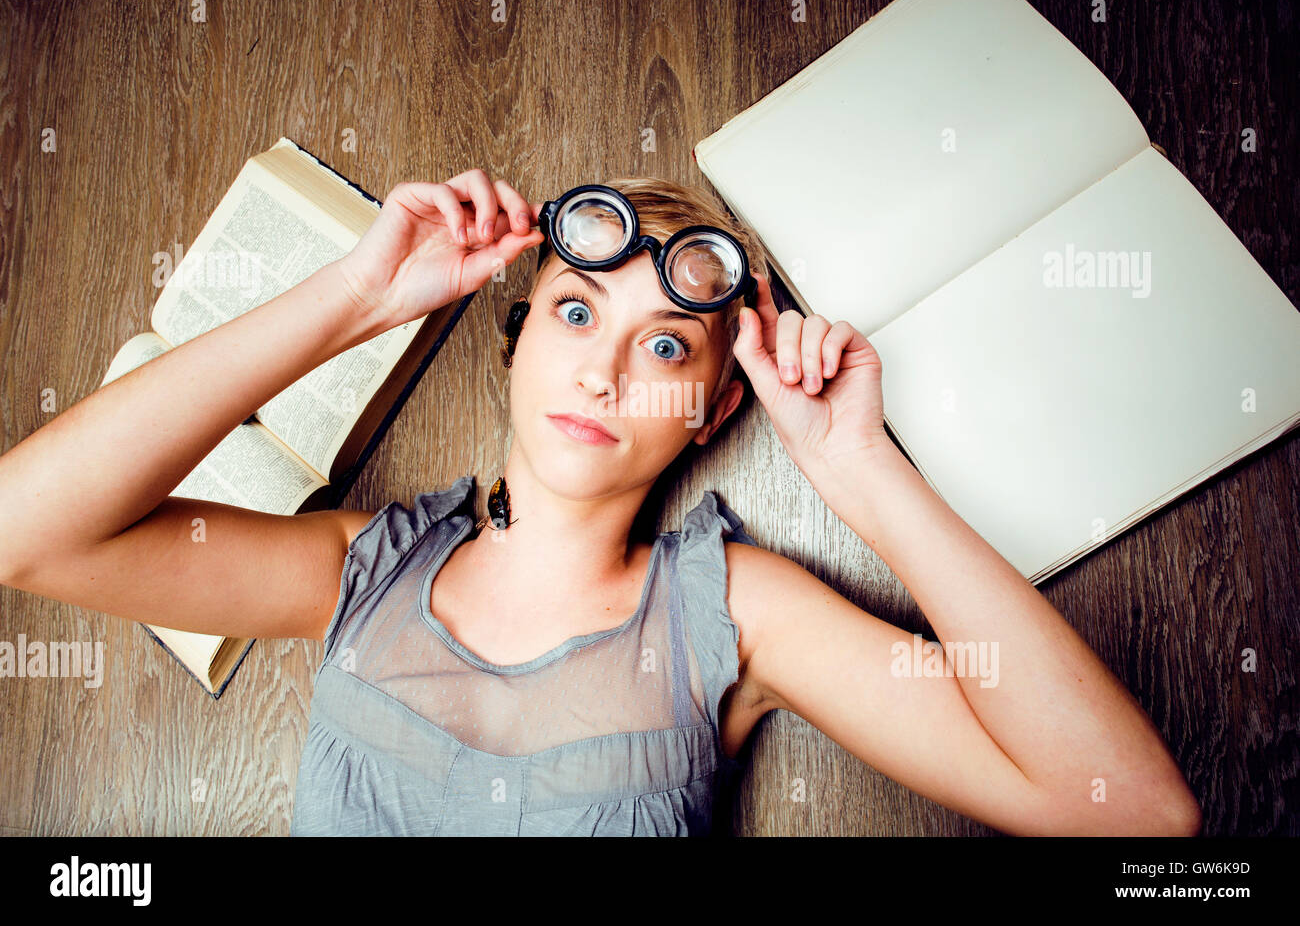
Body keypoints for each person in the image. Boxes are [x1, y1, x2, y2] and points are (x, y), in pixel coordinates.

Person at [0, 169, 1201, 836]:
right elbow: (25, 532)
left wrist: (859, 470)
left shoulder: (734, 613)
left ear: (715, 410)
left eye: (668, 348)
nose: (606, 368)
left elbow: (1132, 811)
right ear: (515, 345)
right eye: (575, 314)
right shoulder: (361, 572)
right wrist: (358, 298)